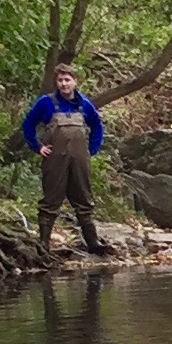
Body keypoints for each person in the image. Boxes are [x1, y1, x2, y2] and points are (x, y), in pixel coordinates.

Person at [22, 64, 108, 254]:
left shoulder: (84, 104)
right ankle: (44, 243)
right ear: (56, 82)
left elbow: (97, 126)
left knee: (84, 199)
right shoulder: (46, 102)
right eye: (60, 80)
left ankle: (93, 242)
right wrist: (38, 147)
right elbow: (27, 125)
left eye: (67, 80)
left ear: (75, 81)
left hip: (80, 159)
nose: (63, 84)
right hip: (54, 158)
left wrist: (92, 150)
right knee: (51, 200)